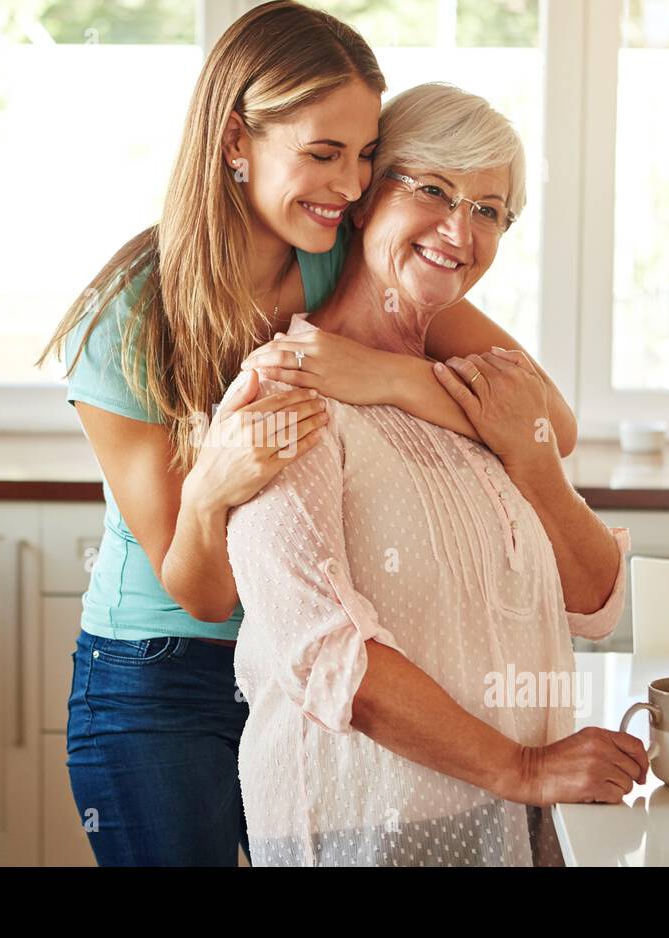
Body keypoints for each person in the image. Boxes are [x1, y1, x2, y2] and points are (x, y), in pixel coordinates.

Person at [37, 1, 577, 866]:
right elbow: (201, 593)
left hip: (303, 667)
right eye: (322, 154)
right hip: (163, 675)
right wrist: (215, 481)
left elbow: (550, 421)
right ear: (234, 142)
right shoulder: (126, 326)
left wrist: (389, 376)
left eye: (366, 155)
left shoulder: (341, 247)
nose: (352, 185)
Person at [225, 82, 647, 867]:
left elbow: (593, 601)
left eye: (489, 209)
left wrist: (531, 460)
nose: (460, 230)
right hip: (364, 829)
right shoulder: (288, 389)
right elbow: (326, 654)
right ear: (360, 199)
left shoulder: (490, 392)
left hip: (522, 824)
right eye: (433, 189)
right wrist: (524, 767)